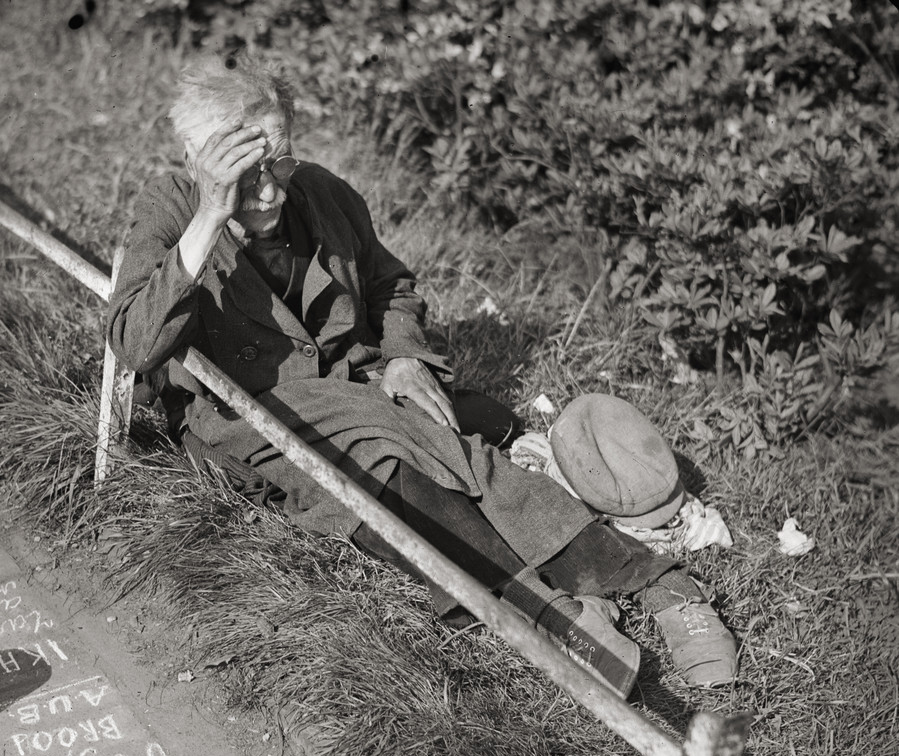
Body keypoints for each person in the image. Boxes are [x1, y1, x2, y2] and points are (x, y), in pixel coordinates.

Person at [106, 55, 737, 697]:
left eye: (281, 164)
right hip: (252, 418)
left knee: (455, 433)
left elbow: (391, 286)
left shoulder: (323, 194)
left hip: (358, 388)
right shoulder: (172, 209)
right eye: (245, 174)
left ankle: (634, 590)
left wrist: (405, 355)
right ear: (199, 163)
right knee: (397, 456)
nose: (270, 192)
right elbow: (132, 343)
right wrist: (210, 217)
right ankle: (567, 608)